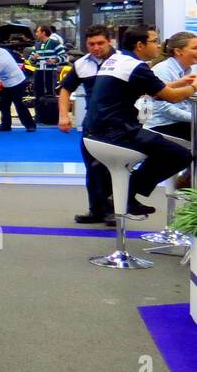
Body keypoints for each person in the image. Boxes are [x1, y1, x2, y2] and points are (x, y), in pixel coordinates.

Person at [78, 25, 195, 219]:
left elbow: (148, 89)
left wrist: (180, 84)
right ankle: (125, 195)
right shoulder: (136, 66)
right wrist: (193, 87)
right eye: (154, 41)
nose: (159, 46)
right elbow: (171, 97)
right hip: (116, 133)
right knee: (179, 155)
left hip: (96, 130)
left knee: (169, 150)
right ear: (140, 45)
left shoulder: (117, 61)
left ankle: (123, 194)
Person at [58, 24, 116, 223]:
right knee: (92, 168)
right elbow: (65, 89)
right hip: (92, 123)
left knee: (112, 167)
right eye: (91, 44)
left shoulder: (123, 62)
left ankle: (113, 209)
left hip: (119, 124)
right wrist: (64, 116)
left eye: (100, 43)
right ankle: (96, 210)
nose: (96, 47)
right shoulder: (81, 64)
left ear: (110, 41)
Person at [144, 32, 197, 139]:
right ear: (178, 51)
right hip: (161, 124)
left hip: (181, 121)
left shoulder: (190, 69)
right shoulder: (162, 70)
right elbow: (164, 108)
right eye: (195, 48)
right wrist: (194, 117)